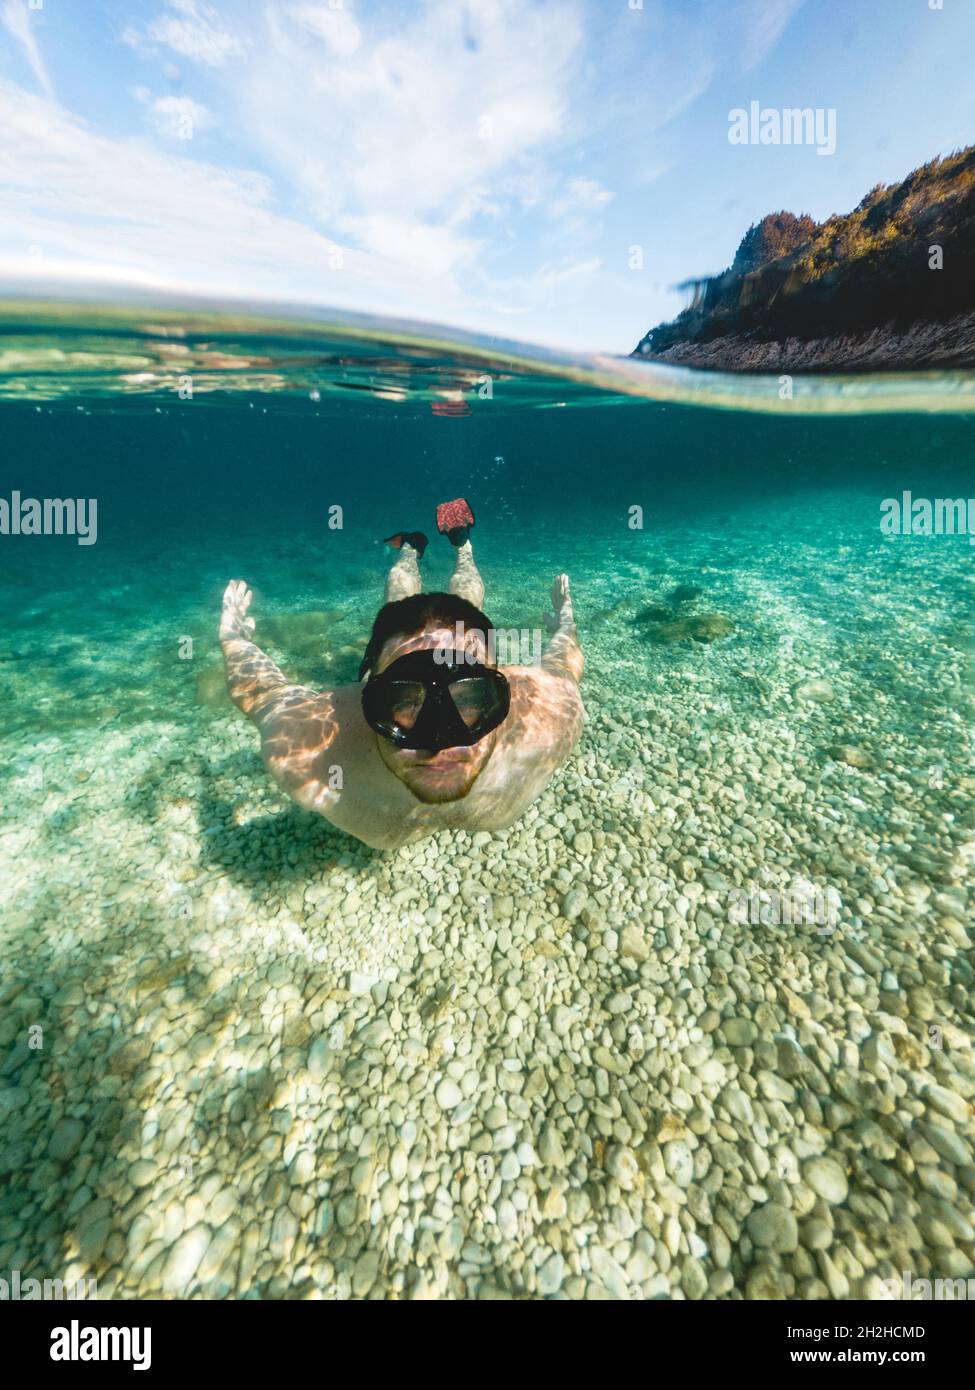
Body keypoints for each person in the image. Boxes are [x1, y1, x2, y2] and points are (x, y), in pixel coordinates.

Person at [219, 498, 584, 849]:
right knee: (400, 605)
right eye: (406, 700)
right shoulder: (309, 751)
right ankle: (411, 548)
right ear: (369, 698)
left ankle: (462, 546)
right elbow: (260, 694)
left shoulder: (549, 720)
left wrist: (564, 618)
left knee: (463, 609)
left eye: (469, 697)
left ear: (499, 692)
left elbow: (264, 695)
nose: (439, 740)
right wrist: (233, 638)